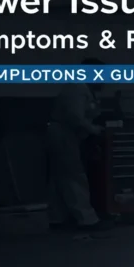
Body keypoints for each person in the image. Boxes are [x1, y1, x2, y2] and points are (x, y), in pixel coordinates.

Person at [46, 57, 114, 231]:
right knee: (74, 175)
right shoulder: (77, 87)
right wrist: (93, 129)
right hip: (63, 133)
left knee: (61, 177)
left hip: (66, 134)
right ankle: (87, 219)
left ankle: (57, 217)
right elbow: (74, 117)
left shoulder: (84, 88)